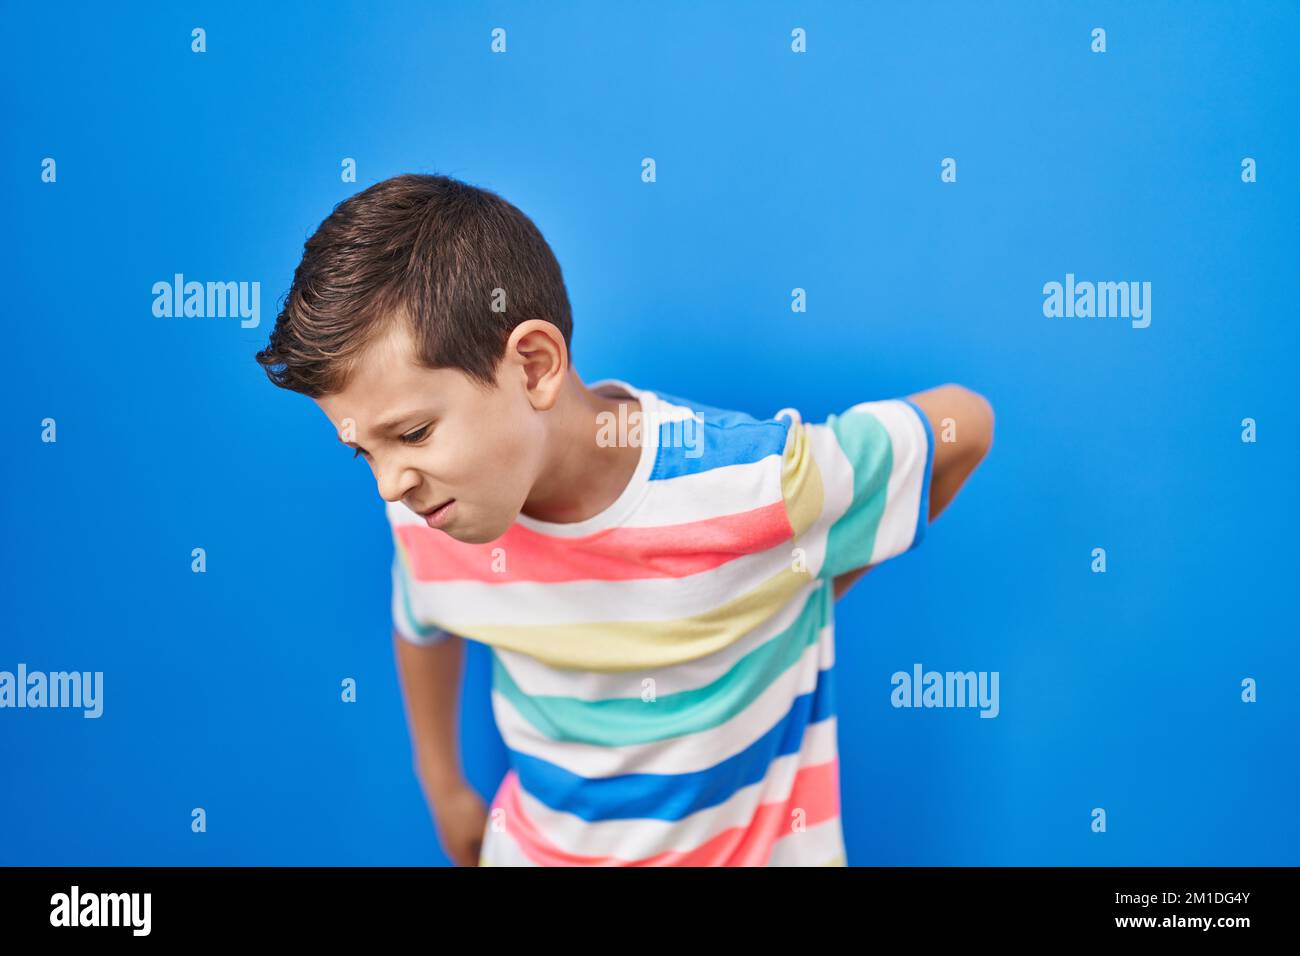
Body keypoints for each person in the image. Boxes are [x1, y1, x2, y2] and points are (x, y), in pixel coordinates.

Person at [254, 173, 994, 866]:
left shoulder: (753, 485)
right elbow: (424, 619)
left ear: (536, 365)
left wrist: (796, 585)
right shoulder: (430, 512)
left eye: (412, 433)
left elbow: (966, 422)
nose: (390, 485)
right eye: (363, 453)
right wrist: (443, 785)